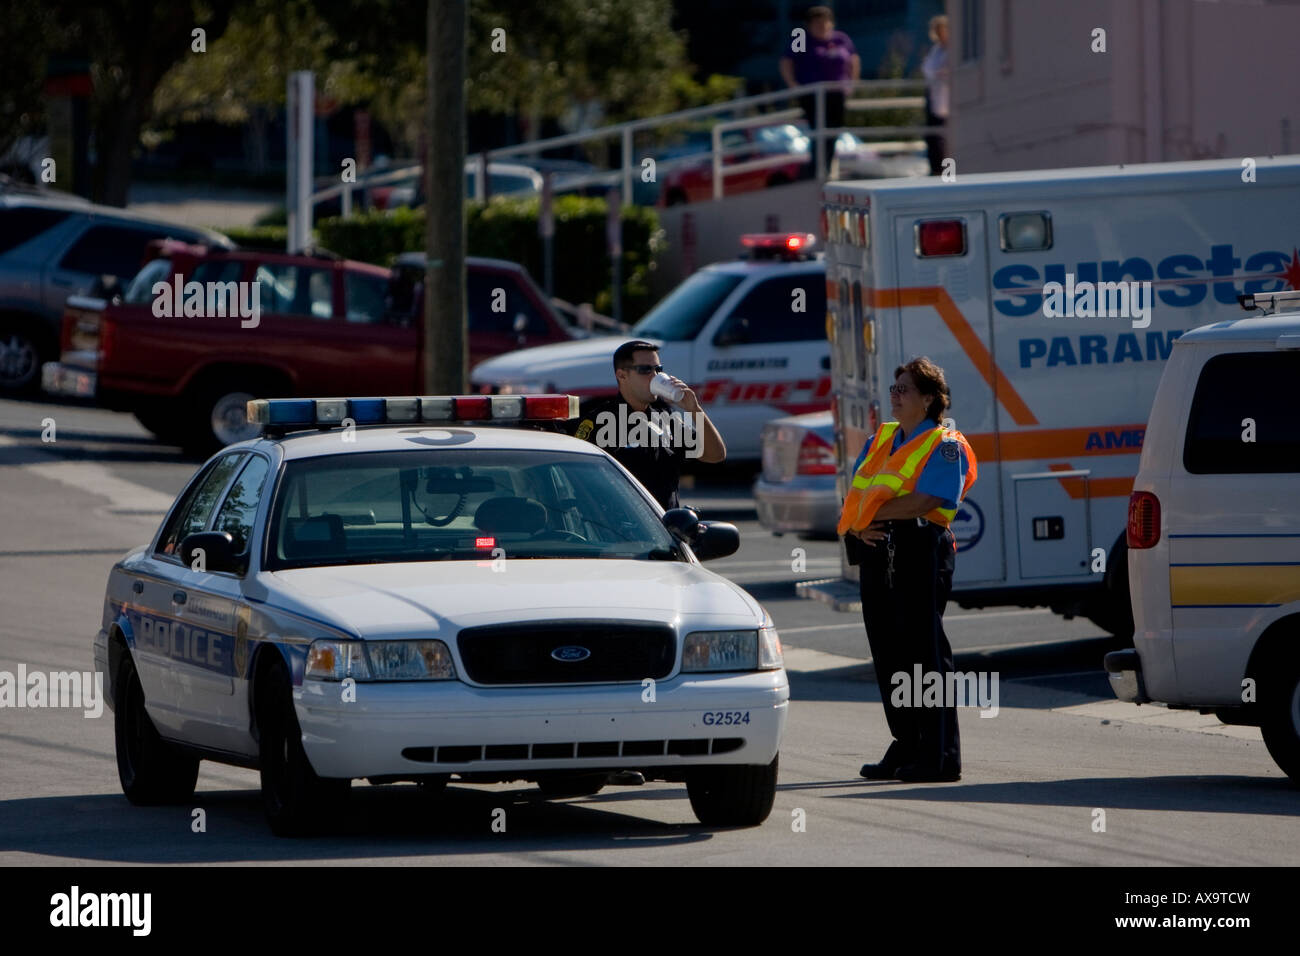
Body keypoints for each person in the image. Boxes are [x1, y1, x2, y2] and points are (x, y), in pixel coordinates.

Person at [838, 357, 977, 782]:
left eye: (905, 389)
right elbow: (860, 486)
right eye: (894, 388)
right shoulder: (882, 437)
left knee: (925, 655)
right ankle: (907, 743)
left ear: (930, 399)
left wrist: (866, 515)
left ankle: (939, 755)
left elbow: (926, 500)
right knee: (889, 654)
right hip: (879, 550)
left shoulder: (947, 441)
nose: (894, 396)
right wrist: (862, 525)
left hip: (920, 549)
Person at [569, 340, 726, 509]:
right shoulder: (600, 422)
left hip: (666, 529)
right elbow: (582, 486)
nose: (655, 376)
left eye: (658, 369)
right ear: (622, 375)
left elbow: (715, 455)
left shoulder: (666, 417)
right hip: (625, 529)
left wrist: (694, 410)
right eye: (645, 370)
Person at [779, 5, 860, 178]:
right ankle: (815, 169)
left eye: (825, 22)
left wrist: (852, 83)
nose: (822, 26)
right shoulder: (801, 38)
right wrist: (792, 84)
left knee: (833, 131)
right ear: (809, 24)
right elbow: (787, 61)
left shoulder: (841, 39)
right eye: (817, 23)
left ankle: (827, 166)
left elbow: (853, 59)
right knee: (818, 129)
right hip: (812, 93)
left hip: (836, 93)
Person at [921, 14, 950, 176]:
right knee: (932, 138)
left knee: (946, 141)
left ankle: (948, 174)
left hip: (947, 101)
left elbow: (944, 71)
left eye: (942, 30)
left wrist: (938, 73)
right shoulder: (936, 50)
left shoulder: (952, 49)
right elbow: (928, 69)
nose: (940, 34)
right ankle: (935, 171)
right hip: (934, 97)